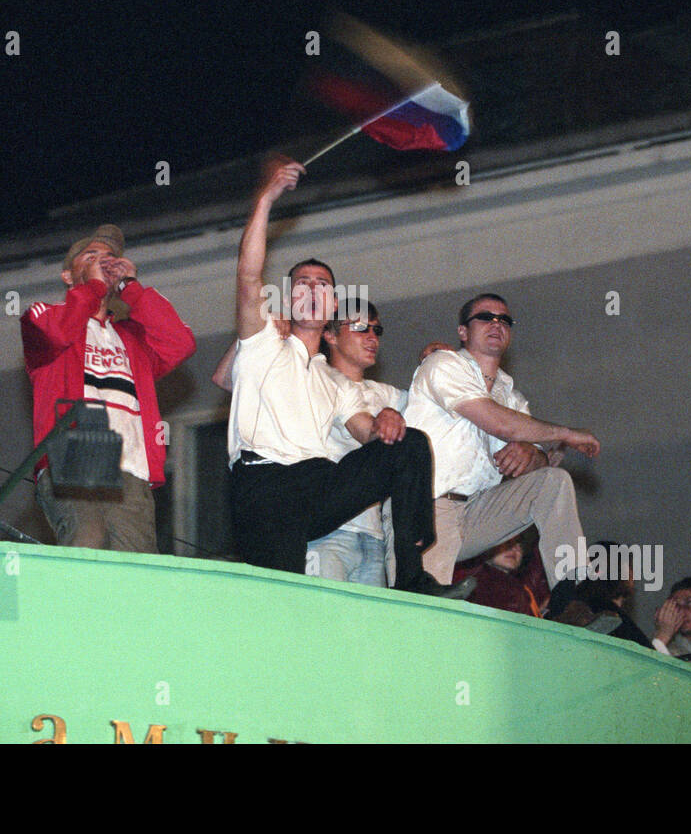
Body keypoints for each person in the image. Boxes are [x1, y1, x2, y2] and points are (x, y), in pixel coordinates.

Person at [224, 157, 464, 597]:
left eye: (322, 285)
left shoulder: (335, 381)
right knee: (288, 607)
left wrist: (387, 420)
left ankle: (413, 575)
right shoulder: (262, 341)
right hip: (264, 488)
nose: (313, 289)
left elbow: (366, 431)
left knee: (407, 443)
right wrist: (266, 199)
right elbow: (247, 274)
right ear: (286, 298)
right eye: (302, 283)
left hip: (316, 484)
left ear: (334, 305)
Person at [403, 292, 599, 611]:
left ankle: (568, 602)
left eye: (504, 320)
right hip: (430, 508)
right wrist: (566, 433)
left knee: (553, 481)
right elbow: (498, 423)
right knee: (426, 615)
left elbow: (538, 461)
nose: (497, 324)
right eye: (485, 317)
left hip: (478, 509)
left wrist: (528, 451)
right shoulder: (443, 363)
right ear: (463, 332)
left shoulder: (512, 395)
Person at [21, 224, 195, 551]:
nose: (105, 261)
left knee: (137, 566)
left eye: (111, 258)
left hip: (132, 464)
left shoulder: (132, 338)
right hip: (74, 452)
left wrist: (130, 286)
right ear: (68, 277)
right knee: (89, 544)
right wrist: (94, 289)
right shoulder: (44, 316)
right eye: (92, 256)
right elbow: (57, 334)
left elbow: (180, 343)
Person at [303, 299, 400, 587]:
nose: (372, 337)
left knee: (371, 631)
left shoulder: (388, 396)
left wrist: (434, 357)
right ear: (330, 335)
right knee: (324, 624)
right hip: (325, 532)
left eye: (376, 329)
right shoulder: (311, 380)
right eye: (359, 328)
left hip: (374, 536)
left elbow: (441, 410)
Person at [652, 577, 691, 657]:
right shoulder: (668, 648)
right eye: (676, 605)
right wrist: (663, 635)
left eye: (689, 603)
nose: (681, 610)